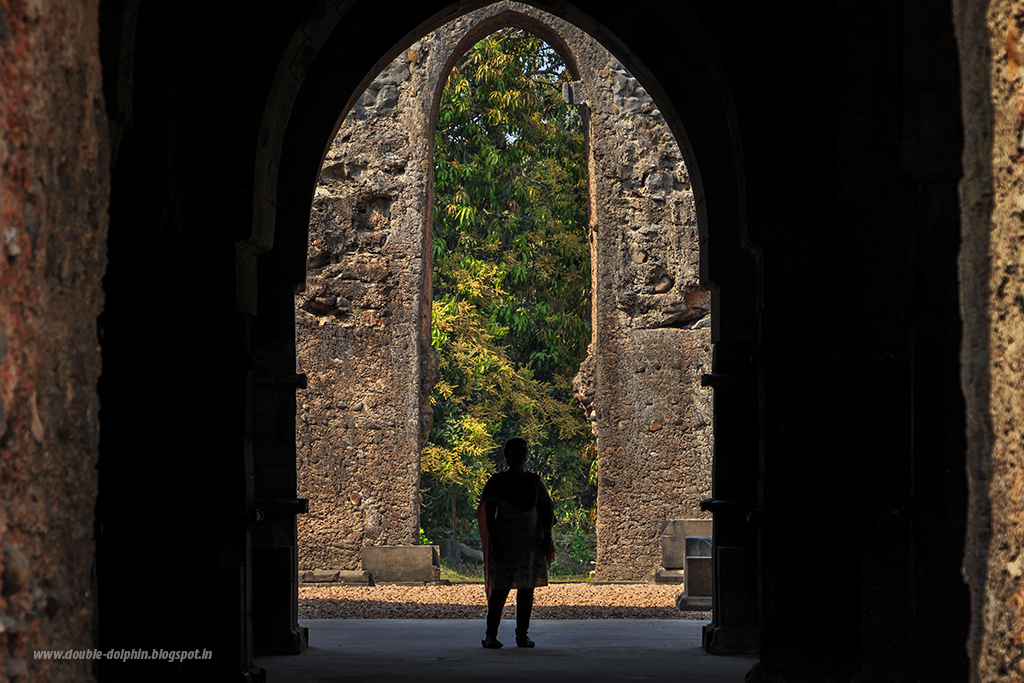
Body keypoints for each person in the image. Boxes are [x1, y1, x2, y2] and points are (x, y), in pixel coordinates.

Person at [476, 437, 555, 649]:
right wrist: (495, 542)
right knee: (500, 589)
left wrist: (547, 536)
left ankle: (522, 635)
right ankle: (490, 635)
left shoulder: (534, 482)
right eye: (515, 451)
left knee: (527, 589)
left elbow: (547, 509)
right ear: (507, 456)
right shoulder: (498, 482)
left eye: (523, 450)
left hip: (530, 544)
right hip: (505, 543)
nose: (520, 454)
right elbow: (489, 514)